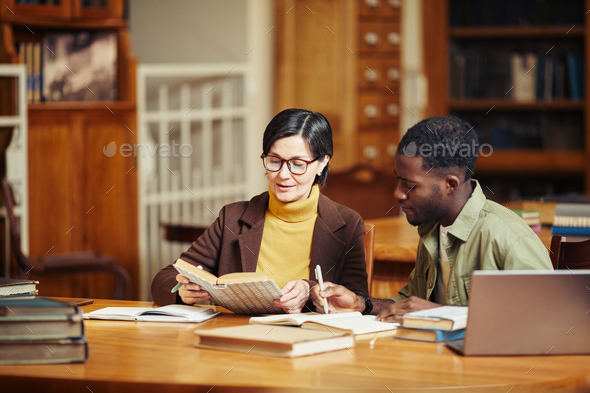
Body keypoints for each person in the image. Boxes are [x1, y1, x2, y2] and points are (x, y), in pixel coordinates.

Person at [311, 116, 553, 322]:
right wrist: (361, 305)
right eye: (398, 180)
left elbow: (545, 319)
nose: (397, 193)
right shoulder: (432, 228)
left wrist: (442, 314)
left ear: (450, 184)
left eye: (410, 185)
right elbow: (409, 305)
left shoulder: (509, 238)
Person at [151, 108, 368, 313]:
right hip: (237, 338)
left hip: (311, 342)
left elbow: (357, 300)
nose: (283, 174)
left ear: (322, 163)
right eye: (274, 161)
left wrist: (310, 291)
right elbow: (165, 278)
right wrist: (181, 292)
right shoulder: (233, 218)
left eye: (297, 164)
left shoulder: (347, 224)